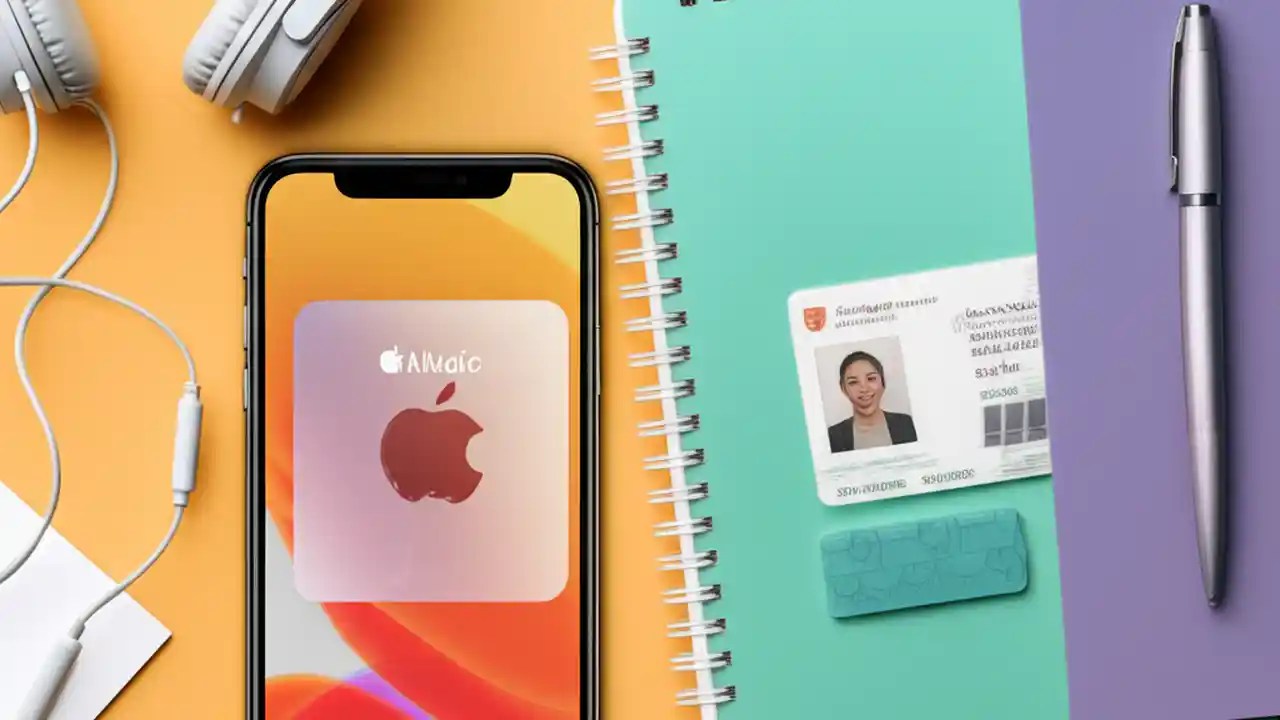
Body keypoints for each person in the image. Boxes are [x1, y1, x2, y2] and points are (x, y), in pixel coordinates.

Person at [827, 350, 917, 453]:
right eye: (853, 382)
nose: (864, 389)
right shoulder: (833, 437)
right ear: (843, 388)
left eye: (871, 379)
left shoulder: (907, 425)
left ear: (883, 383)